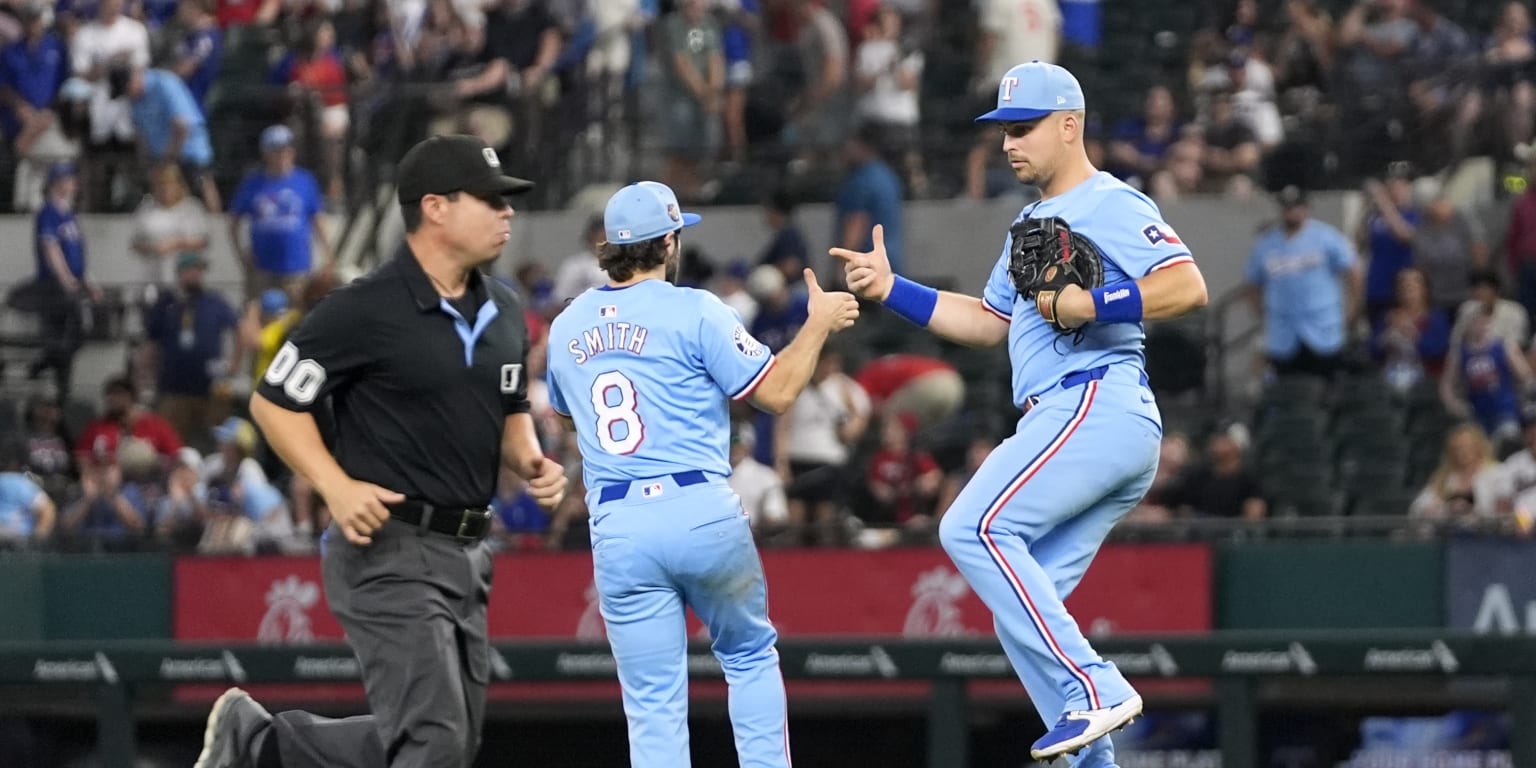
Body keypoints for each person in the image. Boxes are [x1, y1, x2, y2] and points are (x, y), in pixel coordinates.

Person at [831, 61, 1209, 763]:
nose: (1009, 143)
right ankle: (1091, 746)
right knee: (1024, 617)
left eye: (1025, 128)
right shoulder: (1031, 223)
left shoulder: (1110, 202)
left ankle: (1096, 687)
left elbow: (1187, 285)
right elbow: (986, 321)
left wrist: (1093, 303)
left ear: (1070, 126)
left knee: (970, 526)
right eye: (1004, 130)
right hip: (1069, 419)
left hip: (1095, 400)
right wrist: (891, 289)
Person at [196, 134, 567, 768]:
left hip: (469, 552)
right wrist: (335, 486)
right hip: (388, 546)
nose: (507, 212)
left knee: (443, 740)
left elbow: (508, 411)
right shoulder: (363, 308)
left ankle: (263, 744)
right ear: (436, 208)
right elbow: (273, 402)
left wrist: (531, 459)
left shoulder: (504, 307)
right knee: (435, 739)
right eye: (490, 200)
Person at [544, 180, 858, 767]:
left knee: (653, 701)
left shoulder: (565, 325)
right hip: (698, 505)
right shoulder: (695, 308)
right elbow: (778, 392)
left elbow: (567, 413)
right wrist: (816, 325)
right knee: (748, 656)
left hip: (619, 518)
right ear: (667, 243)